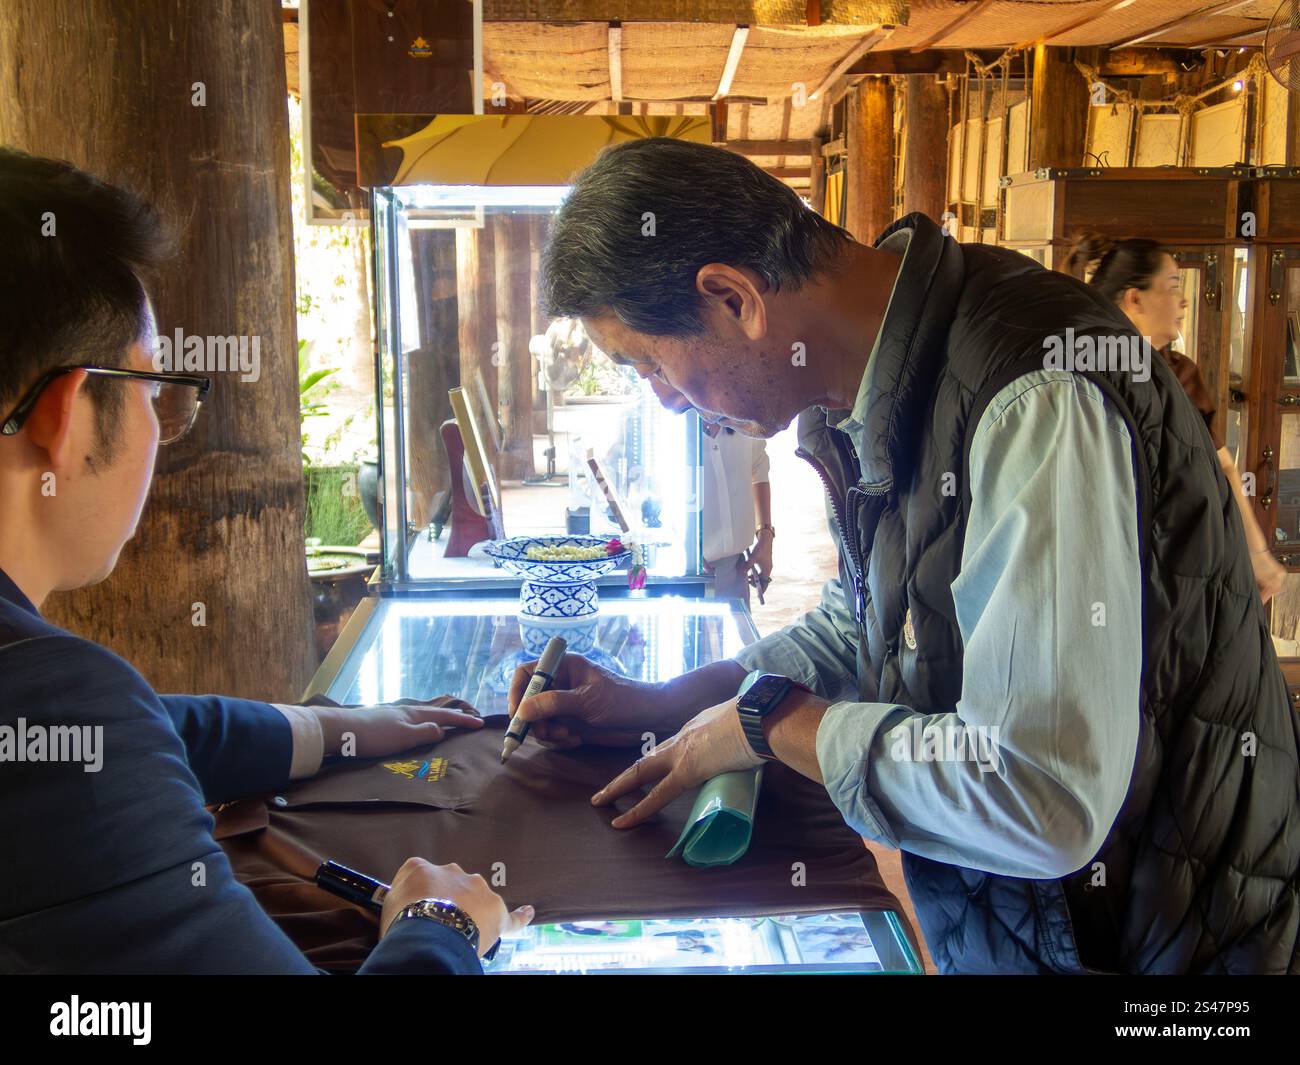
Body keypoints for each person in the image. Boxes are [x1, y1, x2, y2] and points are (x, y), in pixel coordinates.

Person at [508, 137, 1300, 975]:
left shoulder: (1032, 394)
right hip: (1038, 930)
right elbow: (867, 623)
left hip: (1171, 956)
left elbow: (1042, 795)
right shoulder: (862, 383)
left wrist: (769, 724)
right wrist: (663, 701)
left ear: (732, 297)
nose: (665, 402)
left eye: (649, 366)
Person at [0, 148, 531, 974]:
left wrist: (333, 729)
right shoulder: (44, 691)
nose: (158, 425)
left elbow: (135, 728)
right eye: (154, 388)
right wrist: (438, 924)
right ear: (65, 416)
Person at [1069, 232, 1286, 603]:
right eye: (1172, 286)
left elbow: (1223, 468)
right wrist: (1257, 554)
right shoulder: (1090, 369)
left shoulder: (1173, 372)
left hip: (1158, 562)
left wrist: (1256, 552)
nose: (1184, 300)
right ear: (1135, 298)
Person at [700, 423, 773, 606]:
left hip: (736, 569)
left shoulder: (744, 416)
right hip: (685, 574)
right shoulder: (665, 421)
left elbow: (759, 471)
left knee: (739, 633)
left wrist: (765, 535)